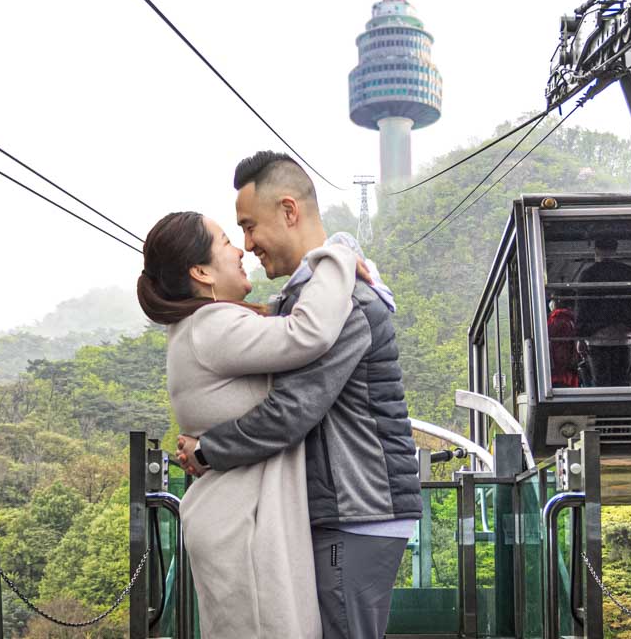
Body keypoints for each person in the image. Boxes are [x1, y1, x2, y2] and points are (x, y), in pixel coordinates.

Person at [177, 151, 420, 639]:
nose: (247, 244)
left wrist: (209, 449)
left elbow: (295, 410)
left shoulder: (344, 302)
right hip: (343, 510)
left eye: (249, 226)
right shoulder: (310, 296)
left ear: (289, 211)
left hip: (358, 511)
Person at [137, 209, 361, 637]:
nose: (239, 249)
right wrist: (339, 255)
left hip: (239, 522)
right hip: (243, 530)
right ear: (201, 271)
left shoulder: (203, 328)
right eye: (225, 241)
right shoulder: (212, 326)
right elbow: (308, 333)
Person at [574, 237, 631, 385]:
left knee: (601, 384)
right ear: (615, 250)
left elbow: (582, 307)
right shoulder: (629, 272)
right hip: (623, 335)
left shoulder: (588, 275)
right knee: (623, 382)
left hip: (597, 337)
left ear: (596, 251)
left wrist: (580, 337)